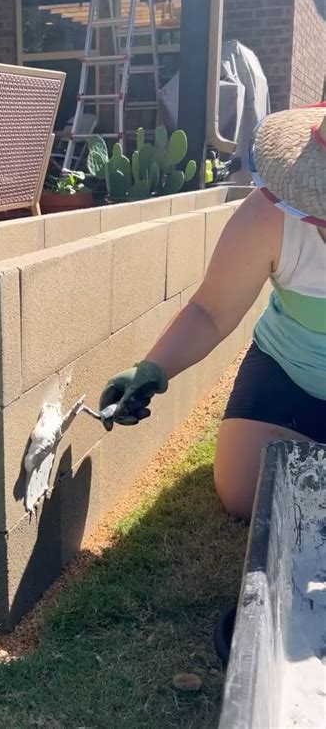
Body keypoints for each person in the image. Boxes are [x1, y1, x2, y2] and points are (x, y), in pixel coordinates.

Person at [99, 104, 326, 521]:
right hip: (288, 371)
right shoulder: (268, 217)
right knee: (244, 492)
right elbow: (210, 311)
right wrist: (152, 369)